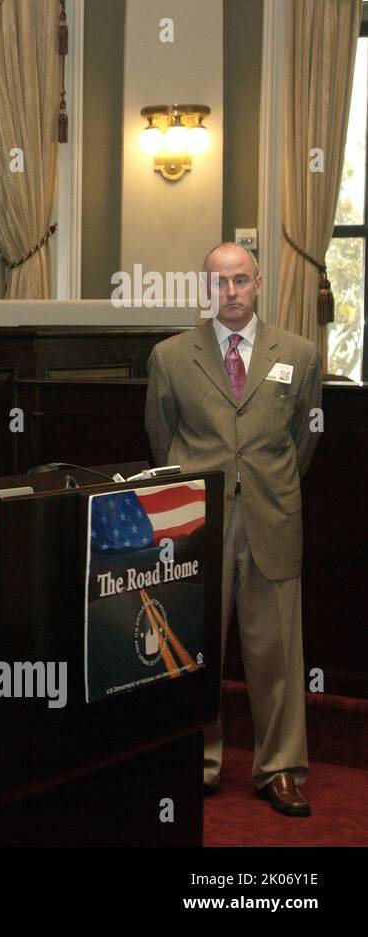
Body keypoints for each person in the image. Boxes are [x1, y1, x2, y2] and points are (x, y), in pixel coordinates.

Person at [145, 242, 321, 816]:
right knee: (195, 651)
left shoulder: (298, 352)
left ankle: (281, 770)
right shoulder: (171, 357)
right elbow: (162, 437)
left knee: (277, 655)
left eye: (240, 281)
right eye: (219, 283)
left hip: (273, 518)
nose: (230, 293)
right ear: (207, 288)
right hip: (199, 522)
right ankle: (199, 760)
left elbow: (304, 438)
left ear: (259, 283)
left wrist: (266, 482)